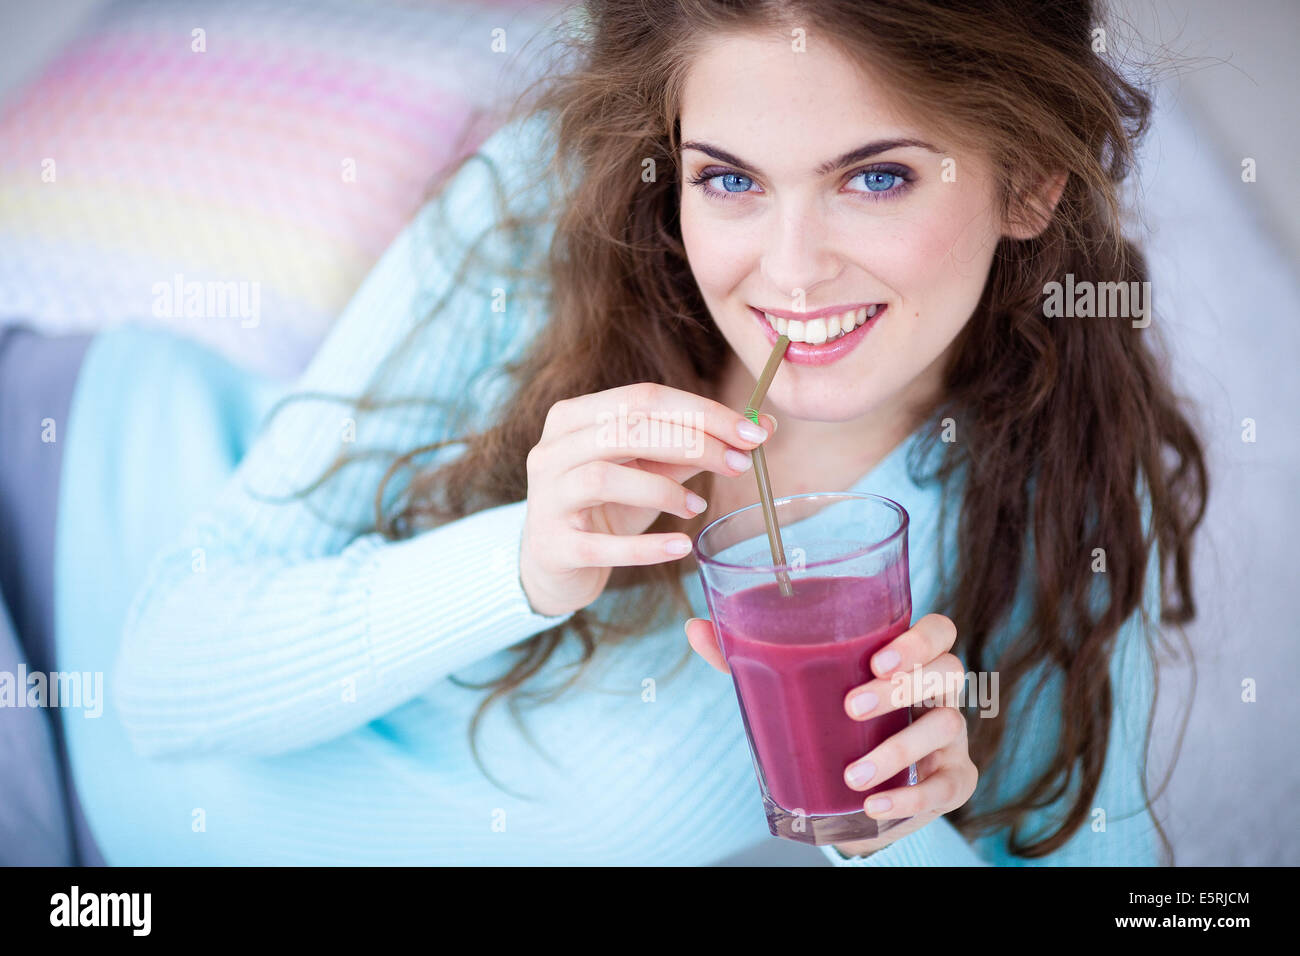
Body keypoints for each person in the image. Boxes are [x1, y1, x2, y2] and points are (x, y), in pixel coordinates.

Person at [3, 0, 1207, 866]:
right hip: (59, 506)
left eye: (876, 177)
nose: (787, 273)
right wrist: (520, 562)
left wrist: (890, 832)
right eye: (728, 180)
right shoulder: (541, 209)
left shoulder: (1055, 502)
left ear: (1032, 179)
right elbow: (158, 681)